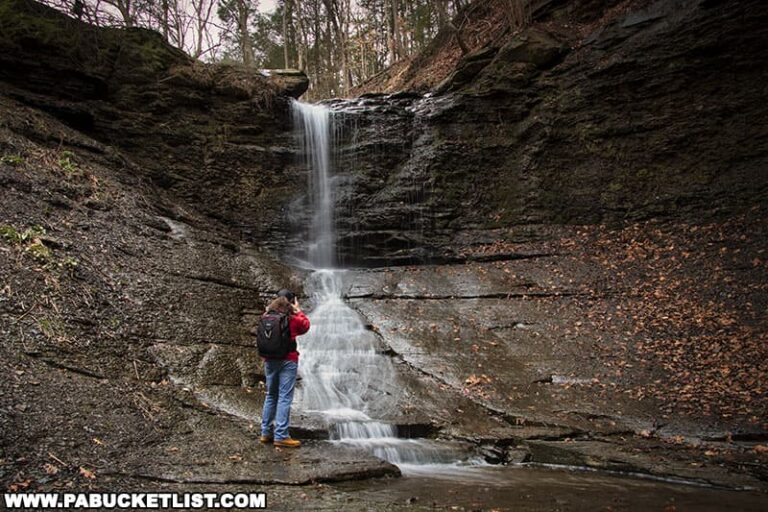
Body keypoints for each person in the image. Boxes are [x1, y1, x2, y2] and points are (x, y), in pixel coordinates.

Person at [259, 289, 310, 448]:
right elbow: (305, 326)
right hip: (288, 360)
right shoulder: (292, 318)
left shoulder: (266, 317)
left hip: (270, 360)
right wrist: (299, 310)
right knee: (284, 397)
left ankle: (266, 433)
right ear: (291, 302)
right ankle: (281, 435)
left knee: (271, 395)